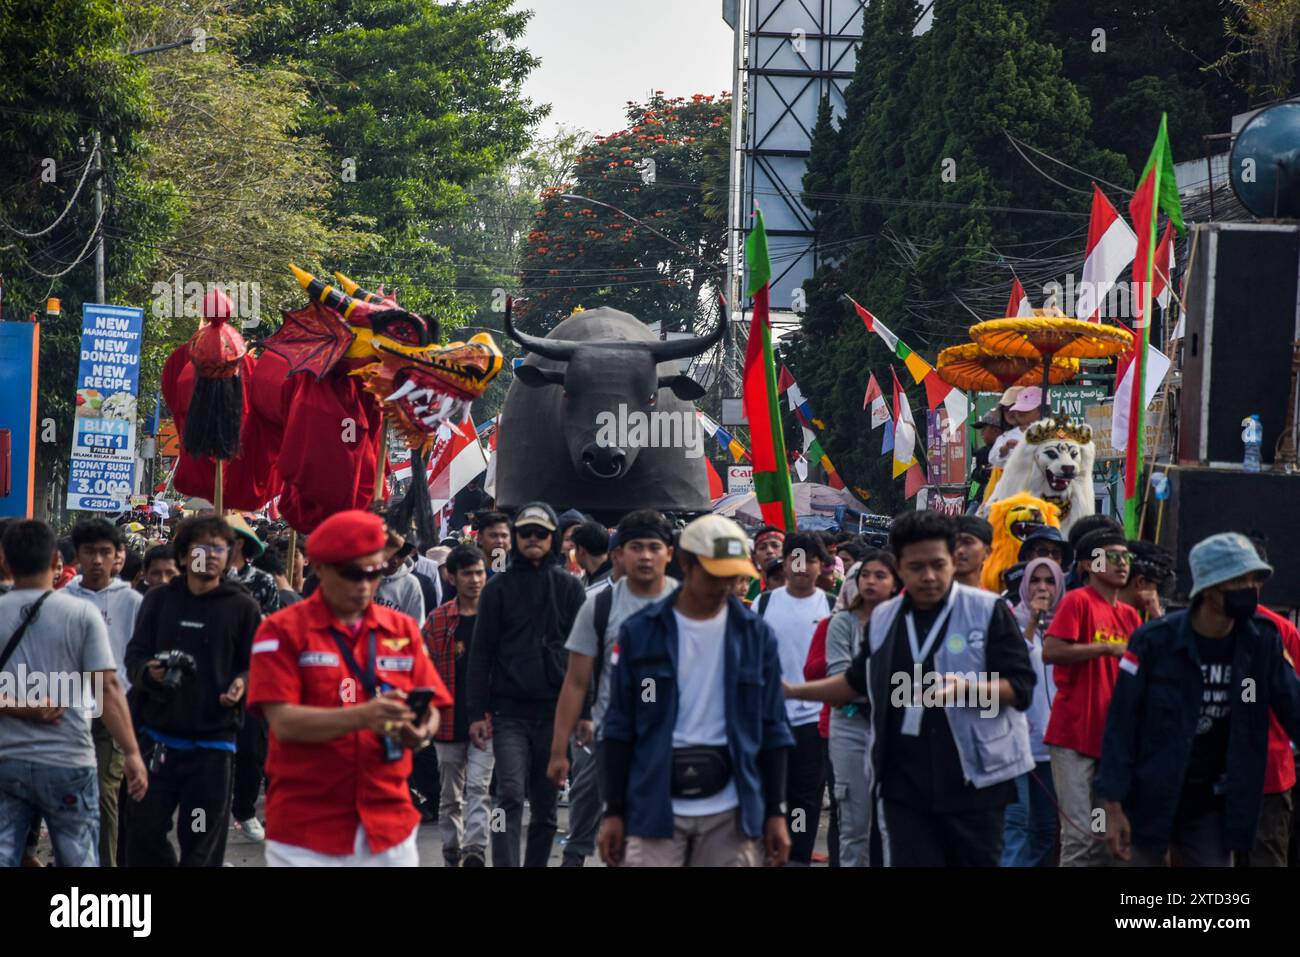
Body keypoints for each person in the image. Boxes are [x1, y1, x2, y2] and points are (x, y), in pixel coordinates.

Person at [785, 511, 1036, 867]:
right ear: (900, 568)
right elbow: (856, 682)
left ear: (953, 561)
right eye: (917, 567)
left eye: (938, 564)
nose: (929, 576)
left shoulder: (987, 610)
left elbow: (1022, 687)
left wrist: (968, 690)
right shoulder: (884, 618)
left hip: (975, 780)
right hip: (904, 781)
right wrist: (792, 691)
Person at [247, 510, 449, 866]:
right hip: (307, 831)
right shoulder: (280, 632)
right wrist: (365, 716)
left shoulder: (402, 630)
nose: (364, 584)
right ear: (320, 568)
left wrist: (420, 730)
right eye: (352, 573)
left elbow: (430, 706)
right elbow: (283, 722)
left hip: (388, 825)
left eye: (373, 573)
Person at [599, 514, 794, 867]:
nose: (724, 586)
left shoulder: (756, 636)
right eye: (713, 575)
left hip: (732, 812)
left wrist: (776, 812)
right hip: (654, 805)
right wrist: (613, 810)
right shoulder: (640, 633)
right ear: (686, 562)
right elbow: (619, 726)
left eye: (733, 576)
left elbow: (773, 728)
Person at [1098, 533, 1300, 866]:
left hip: (1212, 805)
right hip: (1150, 794)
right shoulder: (1153, 642)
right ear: (1208, 588)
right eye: (1239, 580)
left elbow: (1292, 707)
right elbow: (1121, 725)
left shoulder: (1262, 640)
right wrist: (1111, 805)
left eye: (1254, 579)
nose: (1250, 588)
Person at [0, 520, 148, 866]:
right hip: (68, 761)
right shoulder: (80, 613)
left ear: (6, 562)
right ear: (57, 561)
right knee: (80, 857)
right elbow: (109, 687)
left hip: (7, 762)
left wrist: (22, 707)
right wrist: (131, 752)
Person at [122, 515, 262, 867]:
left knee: (198, 837)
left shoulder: (242, 607)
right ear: (184, 556)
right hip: (158, 746)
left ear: (229, 556)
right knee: (146, 833)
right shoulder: (159, 602)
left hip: (211, 752)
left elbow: (258, 664)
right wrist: (148, 673)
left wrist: (242, 683)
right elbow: (134, 656)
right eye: (203, 548)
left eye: (220, 549)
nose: (212, 556)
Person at [548, 509, 678, 867]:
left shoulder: (690, 606)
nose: (646, 556)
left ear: (669, 552)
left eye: (655, 547)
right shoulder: (597, 605)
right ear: (618, 554)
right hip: (613, 739)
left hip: (676, 741)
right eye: (636, 547)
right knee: (618, 836)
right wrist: (559, 750)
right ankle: (576, 852)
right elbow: (575, 682)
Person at [465, 502, 586, 867]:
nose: (533, 539)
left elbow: (584, 658)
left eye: (541, 533)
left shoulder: (569, 588)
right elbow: (481, 653)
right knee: (510, 797)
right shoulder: (497, 589)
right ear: (517, 539)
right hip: (508, 713)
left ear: (552, 539)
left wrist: (586, 713)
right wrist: (475, 713)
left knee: (546, 805)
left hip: (556, 712)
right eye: (526, 533)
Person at [1041, 526, 1140, 867]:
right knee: (1079, 836)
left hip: (1110, 740)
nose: (1121, 563)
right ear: (1088, 564)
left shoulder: (1130, 615)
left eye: (1125, 557)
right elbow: (1050, 650)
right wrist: (1105, 647)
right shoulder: (1077, 602)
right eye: (1110, 556)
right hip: (1072, 737)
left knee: (1101, 838)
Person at [65, 518, 144, 868]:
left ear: (117, 557)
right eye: (89, 551)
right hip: (67, 711)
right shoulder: (62, 599)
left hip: (113, 709)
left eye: (104, 552)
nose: (97, 559)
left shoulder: (133, 602)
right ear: (78, 556)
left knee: (104, 793)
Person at [755, 531, 834, 865]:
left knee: (804, 798)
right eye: (795, 559)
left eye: (810, 560)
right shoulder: (764, 603)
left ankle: (797, 853)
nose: (801, 567)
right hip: (768, 718)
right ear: (784, 563)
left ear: (822, 566)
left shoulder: (832, 607)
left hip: (812, 722)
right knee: (768, 791)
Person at [823, 548, 901, 866]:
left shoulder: (905, 622)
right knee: (853, 825)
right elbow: (840, 684)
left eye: (880, 576)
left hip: (894, 728)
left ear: (896, 583)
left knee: (892, 825)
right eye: (864, 575)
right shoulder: (842, 623)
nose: (870, 581)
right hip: (850, 726)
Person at [421, 544, 494, 867]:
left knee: (479, 787)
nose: (475, 580)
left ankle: (475, 848)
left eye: (480, 572)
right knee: (450, 796)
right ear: (452, 577)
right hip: (448, 720)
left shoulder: (498, 618)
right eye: (468, 574)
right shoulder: (437, 622)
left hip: (488, 720)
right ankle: (452, 850)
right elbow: (424, 673)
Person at [1001, 557, 1064, 867]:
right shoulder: (1010, 619)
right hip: (1016, 741)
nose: (1042, 587)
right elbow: (1011, 666)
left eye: (1049, 580)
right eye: (1035, 580)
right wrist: (1031, 622)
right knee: (1016, 824)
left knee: (1044, 829)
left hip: (1053, 744)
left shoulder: (1069, 622)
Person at [1243, 536, 1300, 867]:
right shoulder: (1189, 629)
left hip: (1269, 776)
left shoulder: (1279, 631)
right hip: (1208, 778)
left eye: (1251, 577)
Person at [1116, 540, 1174, 623]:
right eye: (1157, 587)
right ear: (1140, 582)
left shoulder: (1133, 620)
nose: (1157, 595)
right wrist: (1158, 617)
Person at [375, 529, 425, 625]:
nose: (395, 560)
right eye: (392, 554)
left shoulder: (411, 584)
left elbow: (416, 625)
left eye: (401, 555)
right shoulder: (367, 576)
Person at [968, 409, 1005, 505]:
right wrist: (985, 473)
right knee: (969, 517)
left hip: (1006, 498)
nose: (981, 434)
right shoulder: (981, 453)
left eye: (984, 429)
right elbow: (974, 475)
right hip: (983, 498)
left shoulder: (1012, 448)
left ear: (996, 430)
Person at [953, 516, 993, 590]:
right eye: (953, 542)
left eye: (967, 542)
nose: (959, 550)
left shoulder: (990, 600)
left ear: (987, 552)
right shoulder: (930, 598)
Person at [745, 526, 785, 601]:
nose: (769, 551)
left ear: (786, 550)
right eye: (762, 548)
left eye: (775, 546)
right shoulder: (746, 587)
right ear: (754, 556)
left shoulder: (799, 585)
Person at [571, 521, 612, 591]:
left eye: (574, 548)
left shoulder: (614, 582)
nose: (573, 553)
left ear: (581, 550)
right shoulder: (586, 578)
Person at [474, 510, 512, 578]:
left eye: (504, 536)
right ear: (479, 538)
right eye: (493, 535)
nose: (500, 541)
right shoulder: (468, 568)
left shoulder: (521, 570)